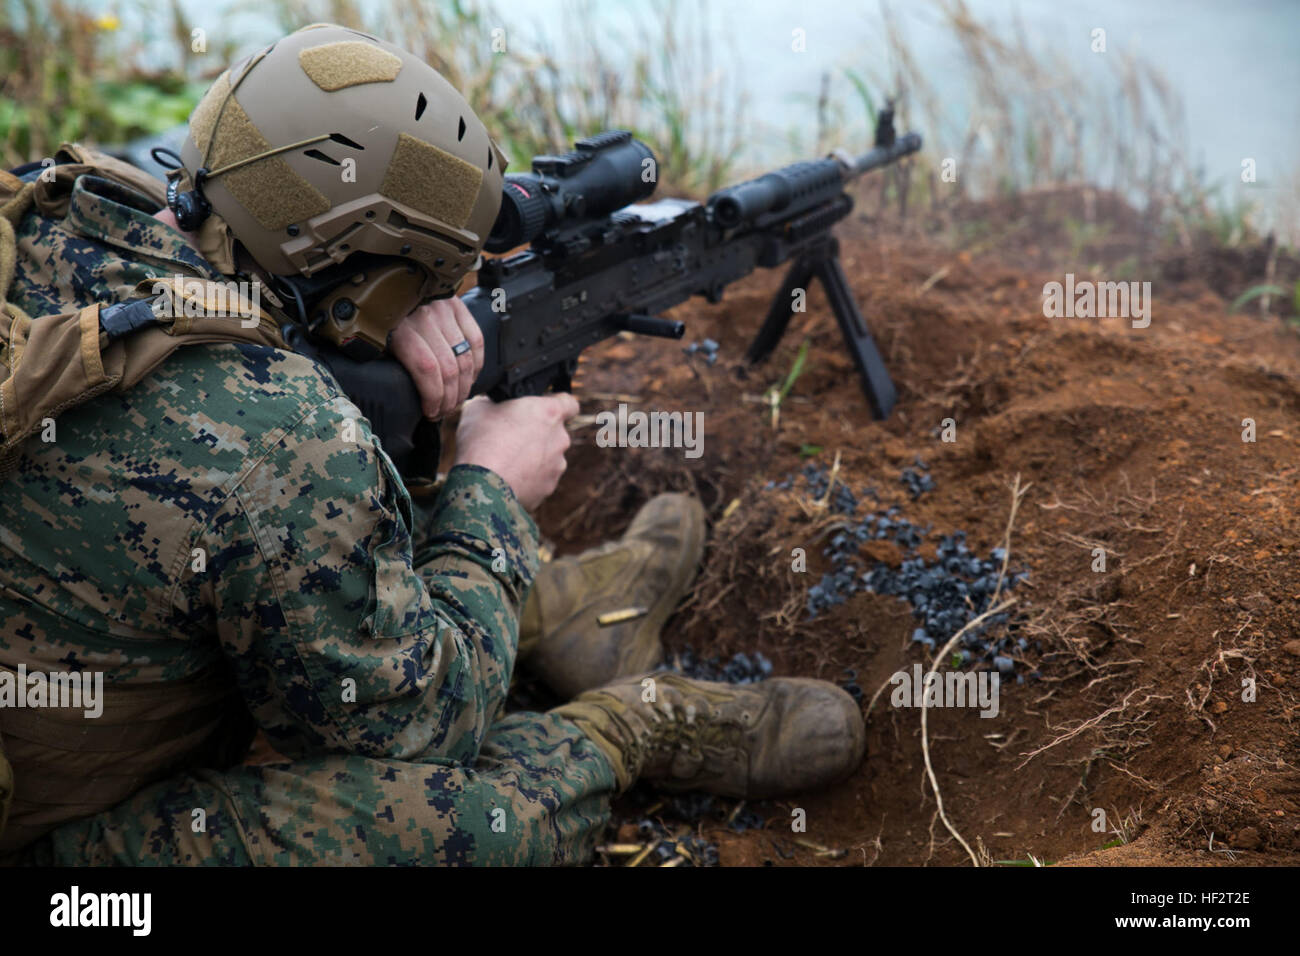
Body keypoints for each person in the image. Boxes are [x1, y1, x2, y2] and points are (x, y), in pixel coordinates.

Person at [0, 23, 864, 865]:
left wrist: (366, 314)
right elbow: (420, 729)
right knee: (478, 827)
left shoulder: (51, 206)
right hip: (44, 833)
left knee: (294, 547)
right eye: (426, 280)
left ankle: (567, 612)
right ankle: (631, 725)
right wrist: (490, 485)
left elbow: (248, 485)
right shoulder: (286, 438)